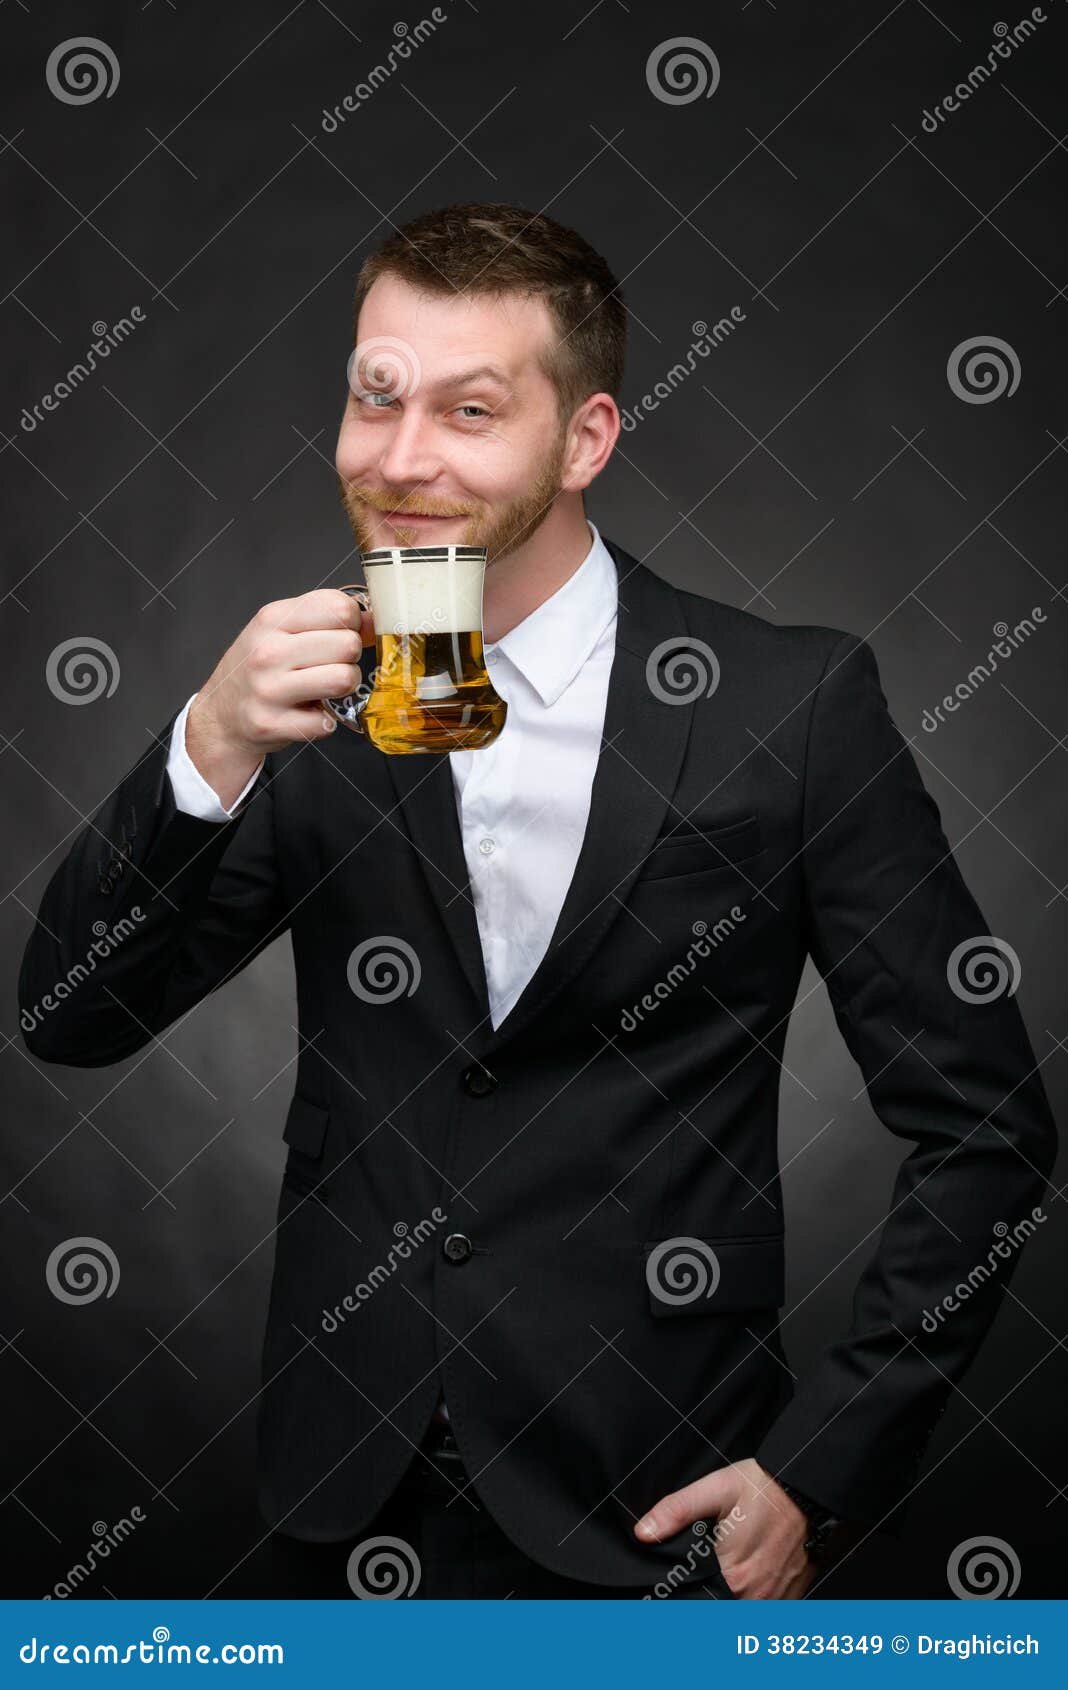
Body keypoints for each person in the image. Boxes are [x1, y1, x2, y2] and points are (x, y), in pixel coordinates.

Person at [19, 202, 1057, 1600]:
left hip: (664, 1506)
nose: (400, 458)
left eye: (468, 409)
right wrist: (207, 745)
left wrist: (822, 1466)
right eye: (376, 397)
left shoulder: (789, 707)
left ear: (586, 440)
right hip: (345, 1496)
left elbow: (985, 1126)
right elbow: (69, 1016)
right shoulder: (308, 706)